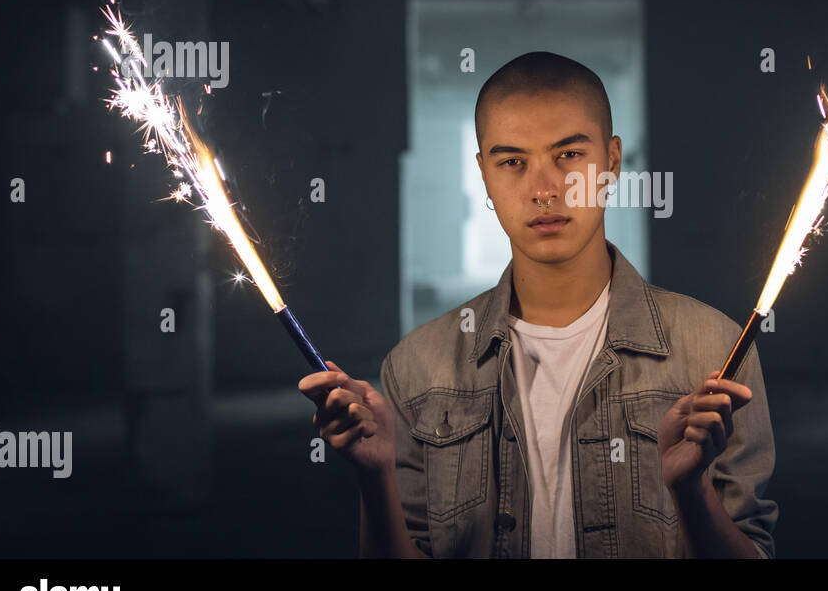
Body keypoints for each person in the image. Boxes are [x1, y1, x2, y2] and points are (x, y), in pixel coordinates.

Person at [299, 51, 778, 558]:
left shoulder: (717, 349)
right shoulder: (417, 366)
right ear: (484, 173)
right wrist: (374, 480)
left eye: (569, 155)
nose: (545, 190)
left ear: (611, 161)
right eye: (512, 162)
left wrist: (692, 492)